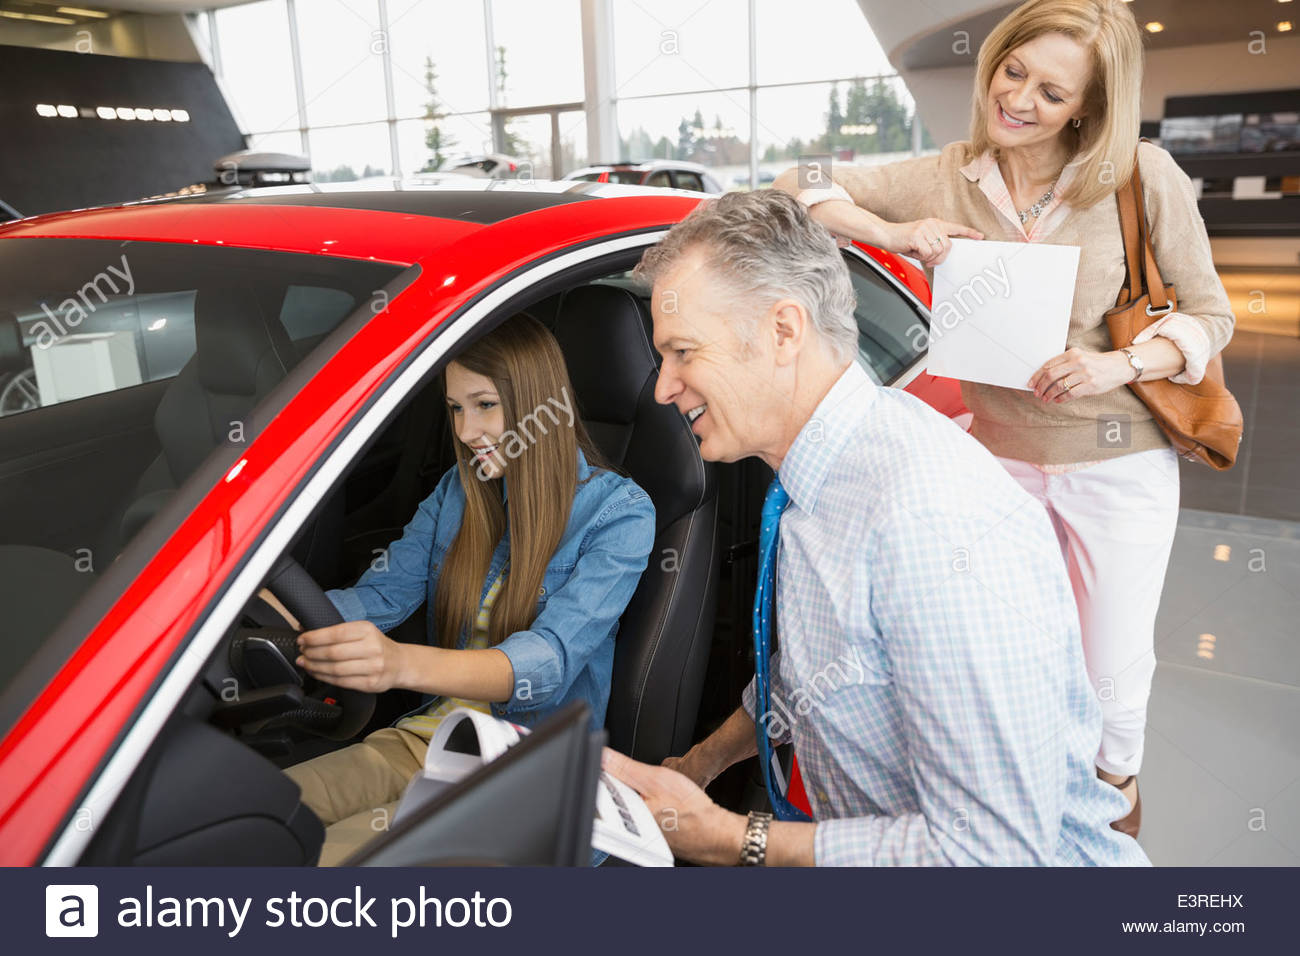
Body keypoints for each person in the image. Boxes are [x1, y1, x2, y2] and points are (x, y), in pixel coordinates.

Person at [769, 0, 1234, 835]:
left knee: (1109, 682)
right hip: (999, 462)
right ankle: (1009, 836)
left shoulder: (1140, 175)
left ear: (1088, 108)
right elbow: (797, 184)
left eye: (1051, 94)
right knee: (1005, 663)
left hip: (1115, 460)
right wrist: (890, 228)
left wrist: (1116, 363)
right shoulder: (949, 174)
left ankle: (1107, 844)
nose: (1018, 100)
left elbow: (1210, 316)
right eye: (1012, 71)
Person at [602, 188, 1148, 866]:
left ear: (783, 331)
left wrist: (721, 837)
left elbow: (994, 856)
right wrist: (699, 765)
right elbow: (809, 673)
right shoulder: (820, 478)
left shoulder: (929, 524)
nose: (663, 387)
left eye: (684, 352)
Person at [279, 315, 656, 865]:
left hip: (527, 769)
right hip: (430, 737)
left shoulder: (618, 513)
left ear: (534, 404)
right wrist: (249, 610)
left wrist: (399, 664)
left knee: (328, 862)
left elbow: (546, 661)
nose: (464, 430)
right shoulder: (458, 490)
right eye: (456, 408)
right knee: (258, 820)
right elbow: (381, 597)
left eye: (484, 405)